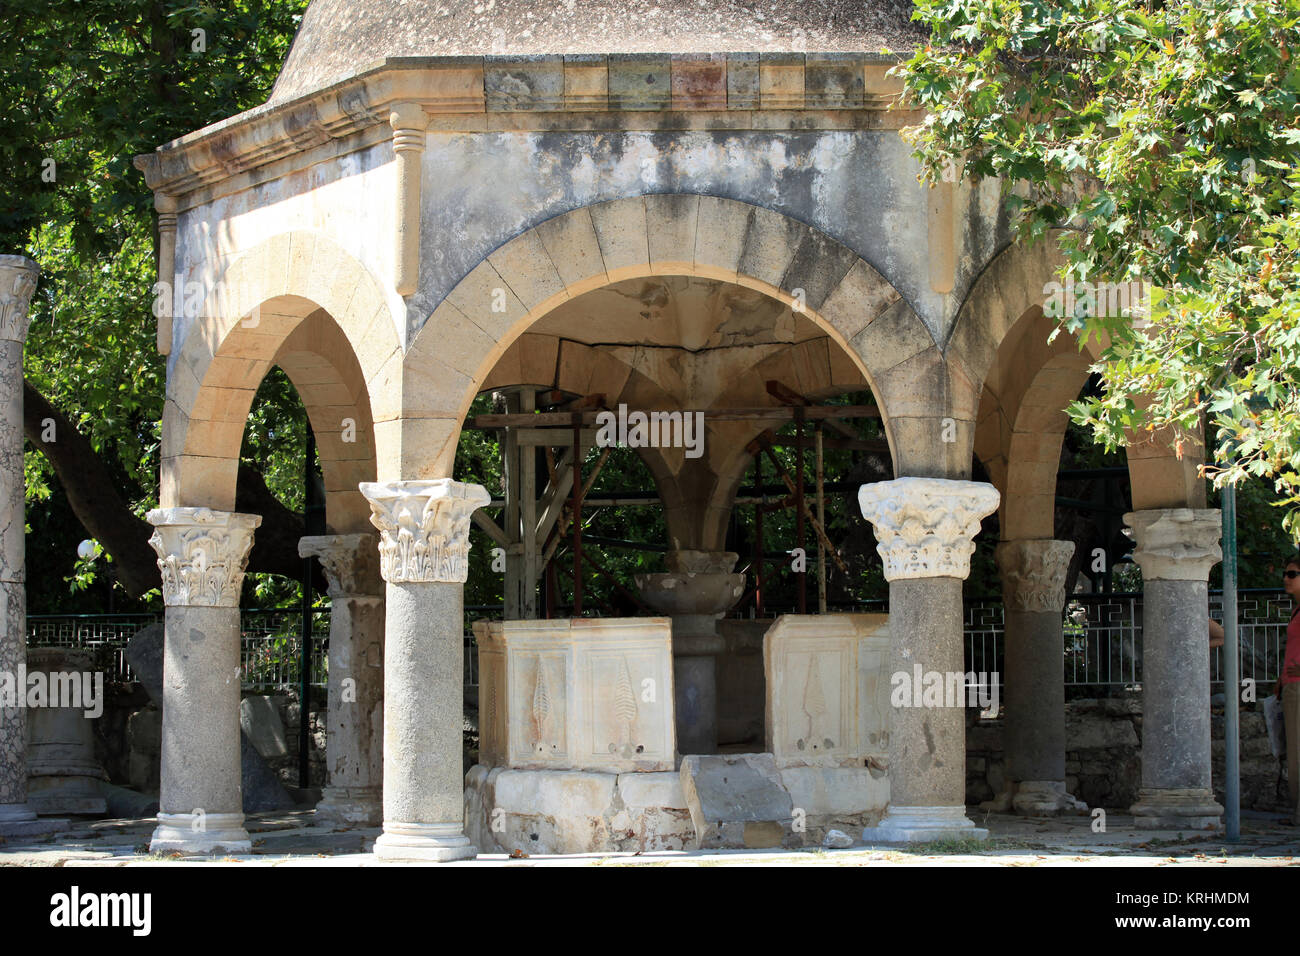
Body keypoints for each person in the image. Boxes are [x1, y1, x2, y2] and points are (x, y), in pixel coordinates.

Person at [1275, 555, 1300, 824]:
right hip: (1290, 686)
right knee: (1293, 750)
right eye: (1285, 574)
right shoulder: (1296, 610)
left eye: (1292, 574)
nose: (1286, 579)